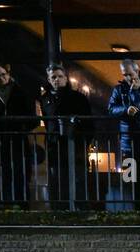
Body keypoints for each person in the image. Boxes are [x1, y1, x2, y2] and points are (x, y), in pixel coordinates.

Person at [40, 62, 93, 208]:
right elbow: (47, 121)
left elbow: (89, 124)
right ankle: (60, 210)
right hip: (54, 146)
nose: (57, 79)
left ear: (66, 78)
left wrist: (83, 143)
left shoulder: (78, 98)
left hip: (75, 146)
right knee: (57, 180)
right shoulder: (45, 100)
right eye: (53, 77)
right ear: (49, 79)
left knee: (78, 180)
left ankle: (80, 211)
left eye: (60, 76)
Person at [108, 59, 140, 210]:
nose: (128, 78)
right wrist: (125, 110)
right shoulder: (119, 90)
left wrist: (135, 93)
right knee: (130, 179)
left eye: (130, 74)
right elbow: (111, 109)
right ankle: (133, 211)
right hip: (128, 143)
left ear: (137, 72)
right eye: (125, 75)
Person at [0, 60, 37, 207]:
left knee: (20, 172)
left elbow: (32, 118)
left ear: (9, 75)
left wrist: (20, 127)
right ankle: (3, 204)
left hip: (17, 138)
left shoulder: (20, 92)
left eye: (4, 74)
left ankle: (21, 204)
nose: (1, 78)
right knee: (0, 171)